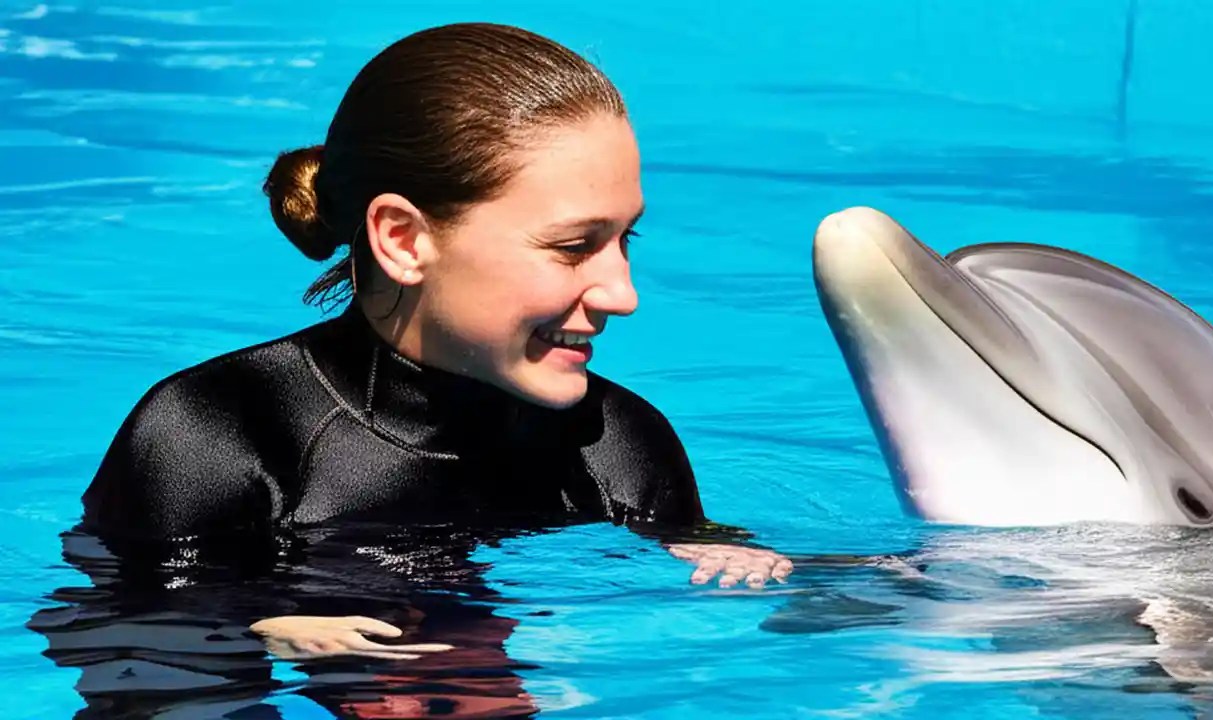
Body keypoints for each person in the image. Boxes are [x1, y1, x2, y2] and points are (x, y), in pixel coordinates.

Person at [72, 20, 791, 673]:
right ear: (404, 239)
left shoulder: (616, 444)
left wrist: (738, 561)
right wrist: (249, 625)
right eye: (574, 247)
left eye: (623, 239)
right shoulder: (219, 433)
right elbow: (126, 651)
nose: (622, 294)